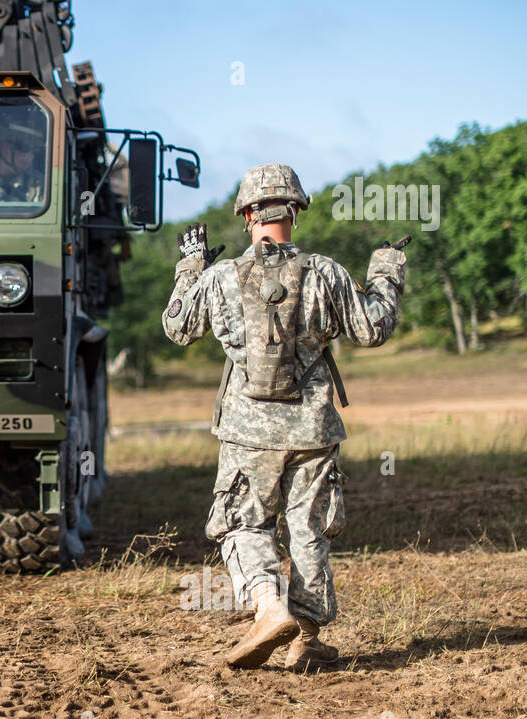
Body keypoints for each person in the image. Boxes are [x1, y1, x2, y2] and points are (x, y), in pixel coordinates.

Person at [161, 163, 409, 670]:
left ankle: (269, 607)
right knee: (308, 528)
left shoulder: (220, 278)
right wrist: (386, 270)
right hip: (312, 429)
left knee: (242, 524)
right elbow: (372, 330)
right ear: (295, 211)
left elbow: (177, 328)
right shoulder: (325, 272)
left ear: (248, 214)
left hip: (247, 432)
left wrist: (190, 267)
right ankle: (307, 639)